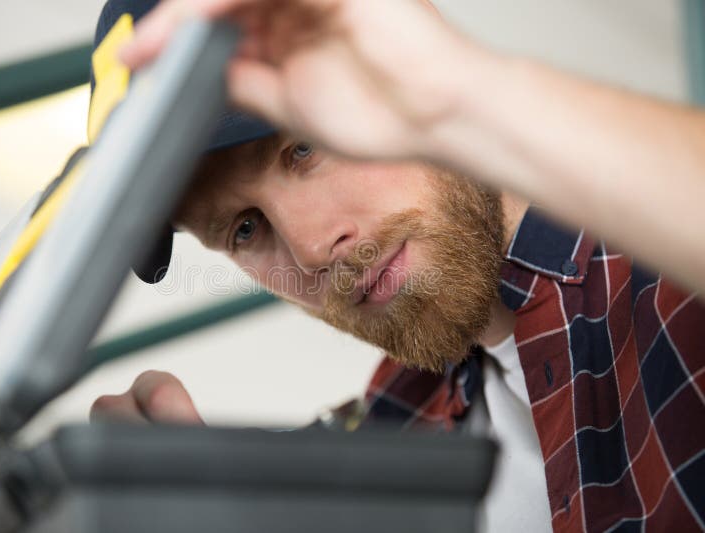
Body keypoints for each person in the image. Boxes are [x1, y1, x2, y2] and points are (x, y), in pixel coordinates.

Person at [87, 1, 705, 532]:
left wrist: (463, 95)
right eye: (245, 229)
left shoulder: (671, 289)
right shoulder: (401, 418)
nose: (309, 249)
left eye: (303, 145)